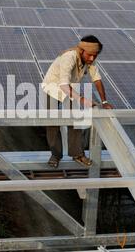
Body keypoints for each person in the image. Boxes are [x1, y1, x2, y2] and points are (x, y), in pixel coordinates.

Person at [41, 35, 114, 168]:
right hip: (52, 88)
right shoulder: (68, 57)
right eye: (90, 55)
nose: (92, 58)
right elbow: (63, 85)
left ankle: (77, 154)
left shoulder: (90, 60)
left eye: (95, 55)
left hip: (71, 88)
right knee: (53, 122)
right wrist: (81, 99)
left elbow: (97, 79)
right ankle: (55, 155)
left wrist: (104, 102)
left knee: (75, 120)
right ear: (81, 51)